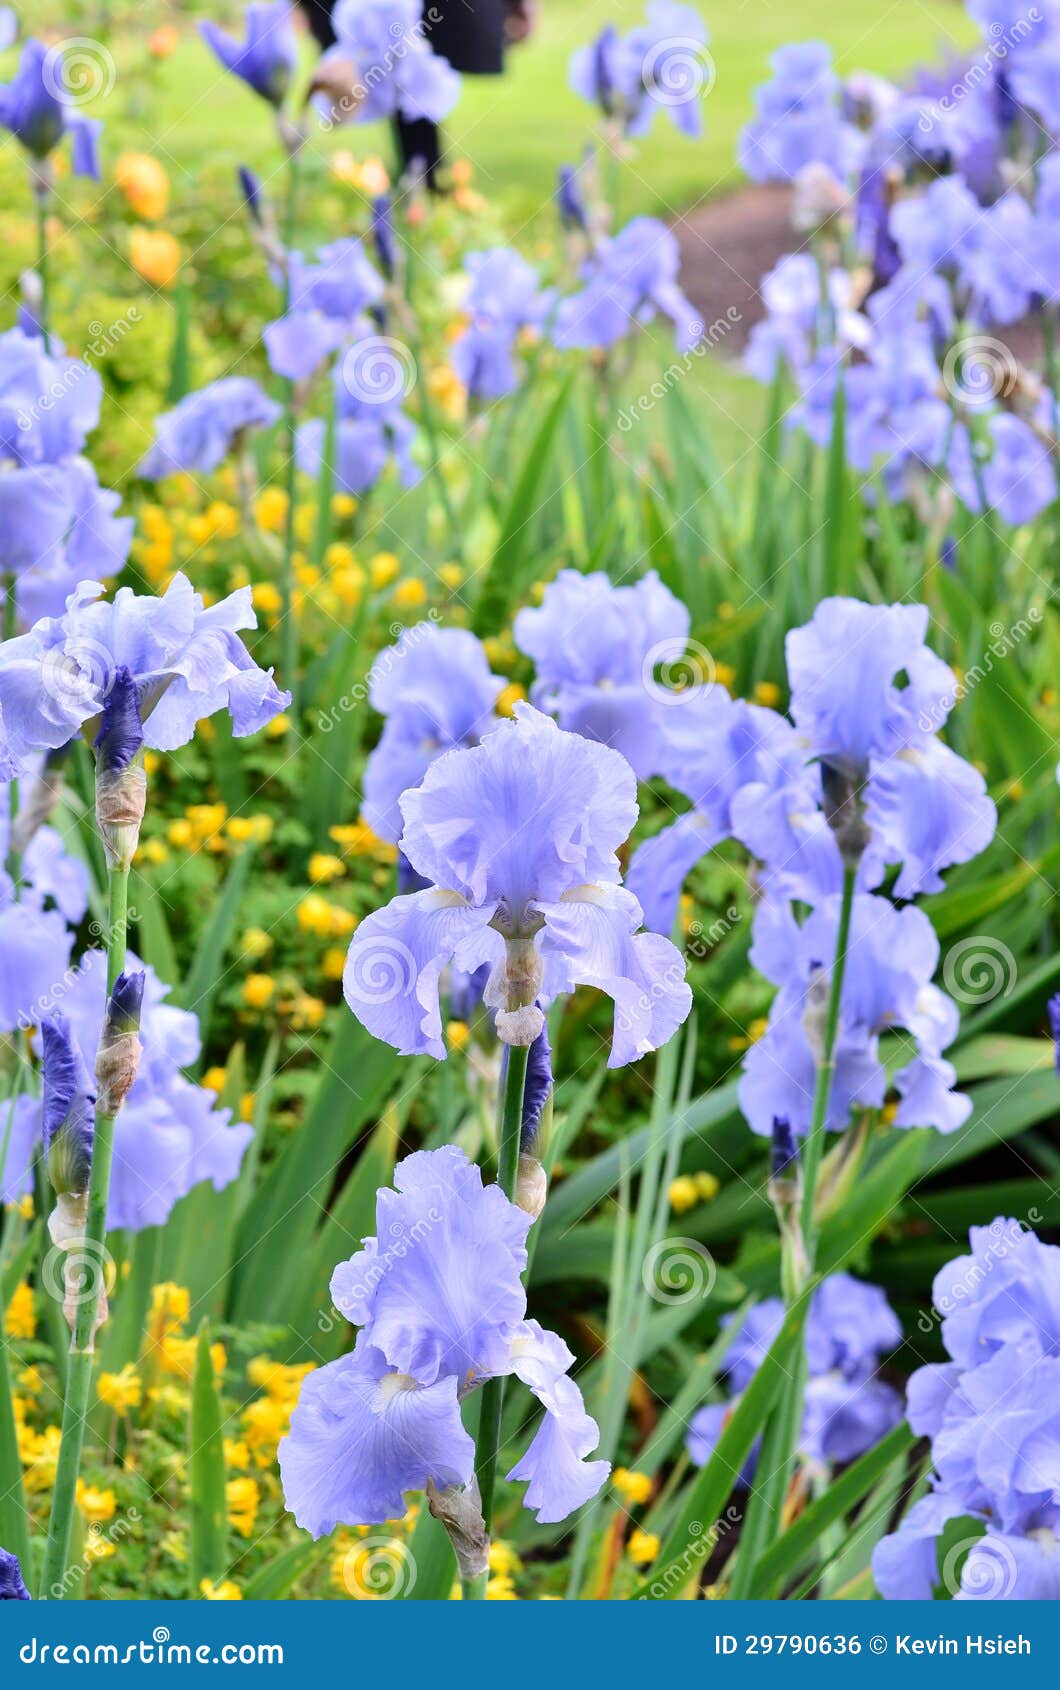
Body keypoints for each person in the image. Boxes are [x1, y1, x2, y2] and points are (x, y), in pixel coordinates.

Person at [299, 0, 534, 186]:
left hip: (413, 41)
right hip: (365, 45)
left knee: (415, 99)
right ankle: (422, 183)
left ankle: (423, 182)